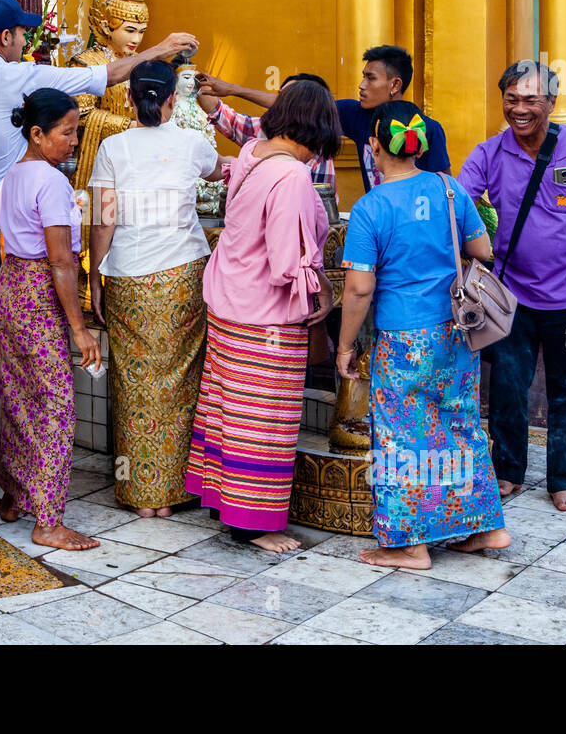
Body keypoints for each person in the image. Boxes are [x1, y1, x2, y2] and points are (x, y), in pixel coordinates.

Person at [0, 0, 196, 488]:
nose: (26, 42)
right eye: (22, 34)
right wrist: (162, 47)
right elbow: (109, 76)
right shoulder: (20, 78)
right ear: (6, 38)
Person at [337, 101, 510, 568]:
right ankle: (486, 528)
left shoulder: (370, 207)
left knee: (401, 436)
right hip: (455, 332)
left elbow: (358, 287)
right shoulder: (448, 188)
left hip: (401, 338)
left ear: (374, 147)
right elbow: (482, 249)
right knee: (461, 424)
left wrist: (346, 345)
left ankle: (410, 544)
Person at [458, 61, 566, 512]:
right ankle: (507, 471)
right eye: (511, 99)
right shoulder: (489, 153)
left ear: (551, 103)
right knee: (508, 387)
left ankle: (564, 479)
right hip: (512, 299)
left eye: (530, 100)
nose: (519, 109)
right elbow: (458, 202)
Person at [186, 81, 339, 553]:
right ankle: (253, 523)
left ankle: (224, 501)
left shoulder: (252, 152)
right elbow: (285, 259)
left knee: (227, 408)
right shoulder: (291, 175)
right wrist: (323, 289)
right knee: (263, 418)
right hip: (266, 316)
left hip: (229, 301)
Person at [87, 61, 228, 518]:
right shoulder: (190, 142)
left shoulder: (112, 146)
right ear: (171, 98)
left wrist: (95, 278)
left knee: (132, 382)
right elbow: (214, 172)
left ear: (129, 99)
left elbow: (103, 219)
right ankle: (171, 493)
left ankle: (140, 495)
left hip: (127, 275)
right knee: (181, 381)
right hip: (181, 274)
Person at [0, 89, 103, 550]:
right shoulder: (53, 182)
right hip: (37, 290)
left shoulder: (13, 174)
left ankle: (14, 496)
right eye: (68, 132)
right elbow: (61, 261)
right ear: (38, 134)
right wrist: (80, 327)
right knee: (56, 405)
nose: (75, 141)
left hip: (8, 288)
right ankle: (48, 520)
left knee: (18, 396)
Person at [199, 46, 450, 191]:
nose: (361, 85)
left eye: (370, 78)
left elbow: (446, 188)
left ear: (395, 84)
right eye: (363, 76)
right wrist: (233, 90)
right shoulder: (356, 114)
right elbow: (298, 105)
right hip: (381, 222)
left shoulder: (429, 129)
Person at [194, 72, 337, 188]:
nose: (280, 104)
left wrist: (233, 89)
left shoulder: (310, 157)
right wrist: (194, 79)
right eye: (281, 96)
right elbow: (221, 115)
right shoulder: (259, 133)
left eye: (287, 98)